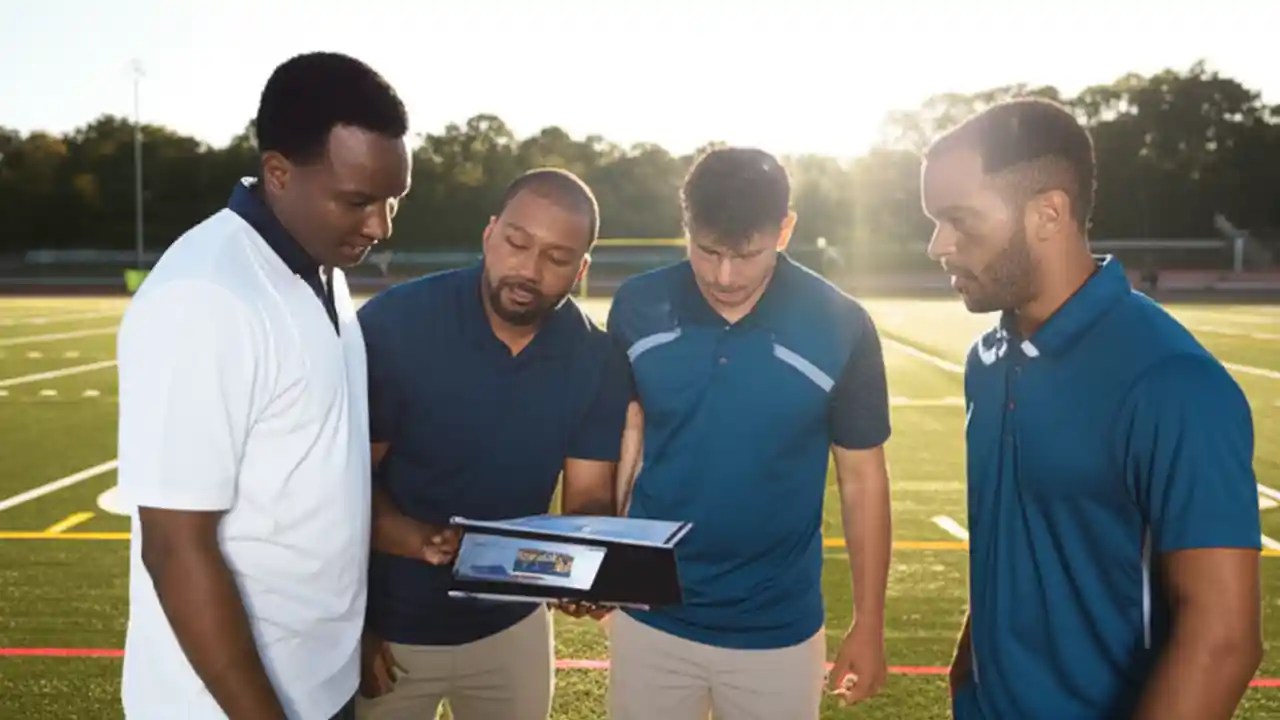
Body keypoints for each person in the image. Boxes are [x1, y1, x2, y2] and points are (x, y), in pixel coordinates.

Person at [920, 98, 1263, 719]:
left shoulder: (1172, 381)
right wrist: (965, 681)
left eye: (959, 220)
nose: (937, 245)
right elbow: (1016, 538)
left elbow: (1223, 640)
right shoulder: (987, 360)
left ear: (1049, 213)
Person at [115, 51, 411, 719]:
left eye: (394, 199)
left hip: (319, 684)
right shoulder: (205, 296)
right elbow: (174, 544)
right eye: (359, 201)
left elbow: (317, 485)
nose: (381, 226)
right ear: (278, 173)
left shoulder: (319, 263)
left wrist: (348, 634)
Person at [605, 147, 894, 720]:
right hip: (649, 617)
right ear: (685, 227)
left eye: (747, 254)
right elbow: (628, 436)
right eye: (708, 252)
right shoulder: (637, 304)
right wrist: (611, 559)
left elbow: (862, 480)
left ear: (785, 229)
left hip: (776, 628)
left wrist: (870, 621)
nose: (725, 276)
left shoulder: (841, 324)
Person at [354, 168, 631, 720]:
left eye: (556, 258)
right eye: (517, 243)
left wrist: (583, 569)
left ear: (581, 270)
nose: (528, 270)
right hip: (391, 627)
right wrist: (354, 624)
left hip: (512, 626)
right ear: (489, 235)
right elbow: (345, 484)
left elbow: (589, 498)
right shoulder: (397, 324)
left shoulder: (595, 358)